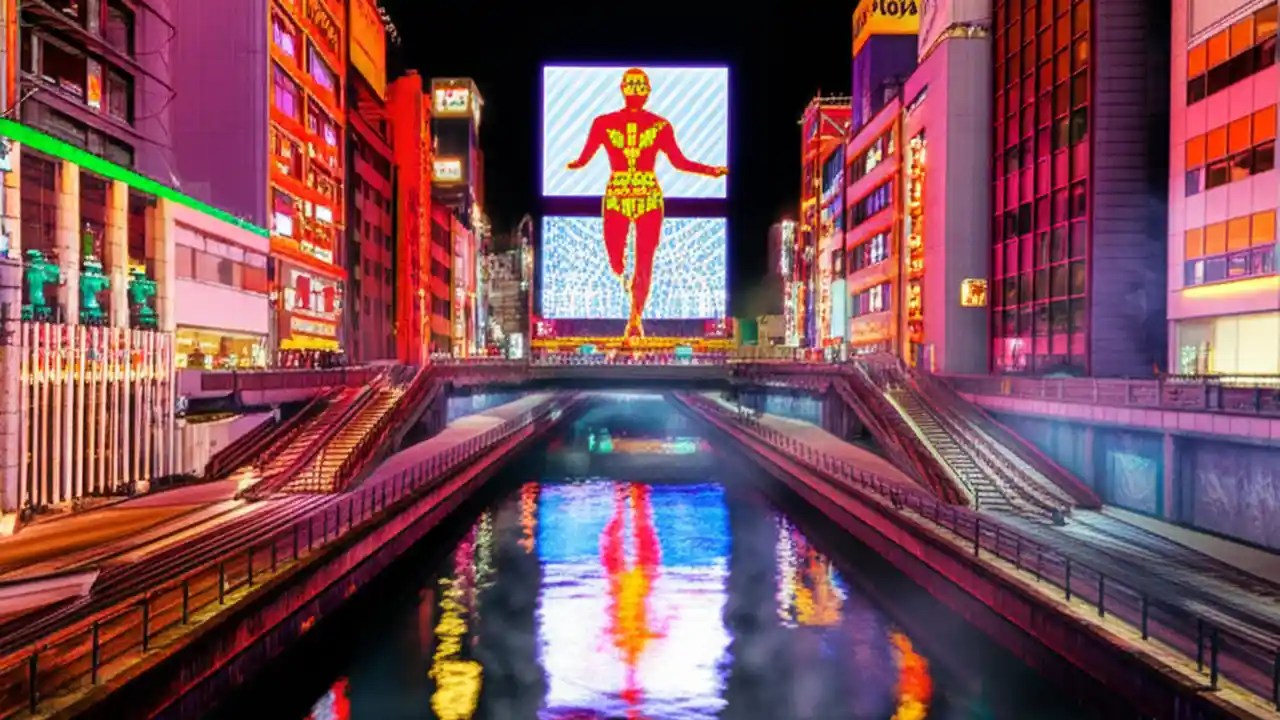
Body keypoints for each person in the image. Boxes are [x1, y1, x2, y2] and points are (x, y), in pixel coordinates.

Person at [566, 68, 727, 342]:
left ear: (647, 91)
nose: (636, 93)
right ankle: (628, 295)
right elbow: (585, 156)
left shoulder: (660, 125)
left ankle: (634, 319)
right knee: (615, 255)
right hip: (618, 193)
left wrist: (712, 171)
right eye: (632, 87)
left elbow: (679, 161)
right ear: (624, 89)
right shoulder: (603, 123)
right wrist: (576, 164)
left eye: (640, 88)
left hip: (647, 195)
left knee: (645, 260)